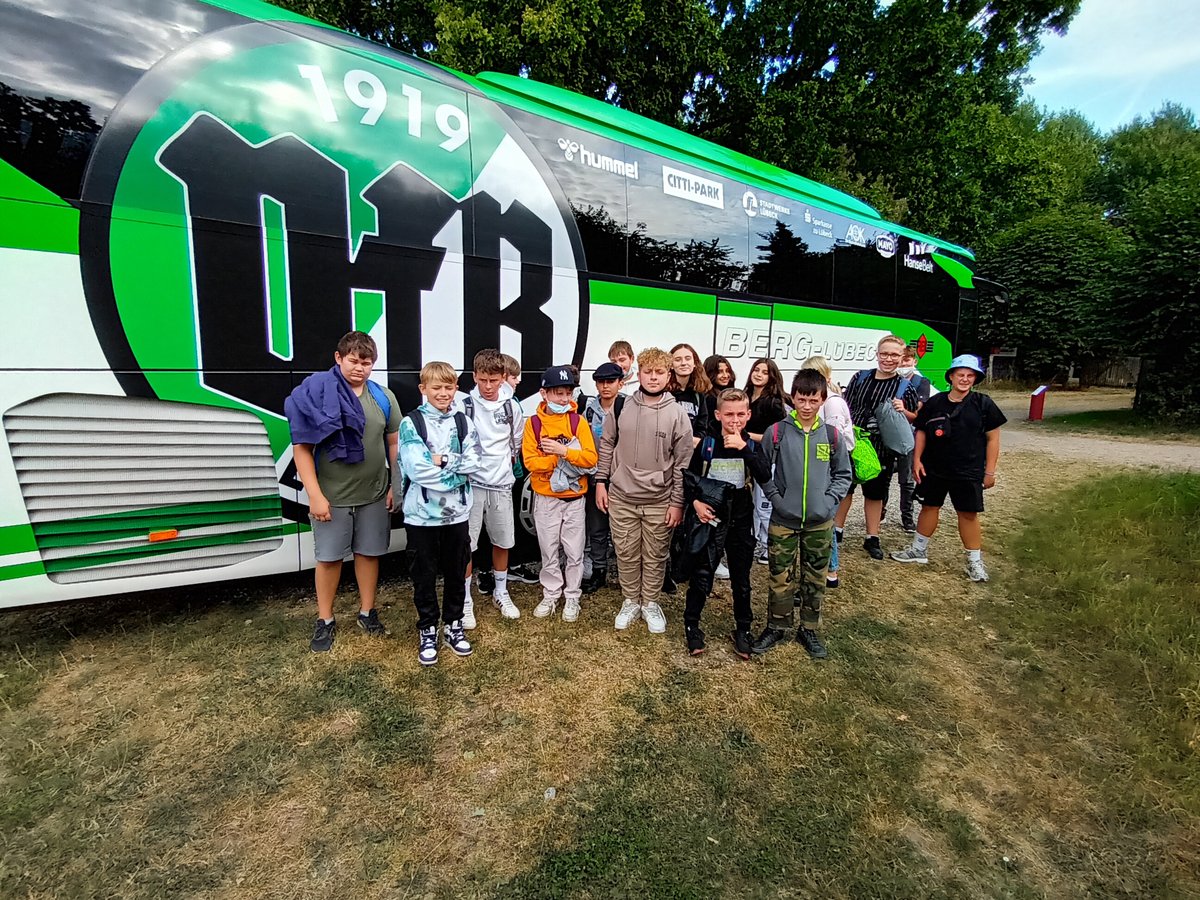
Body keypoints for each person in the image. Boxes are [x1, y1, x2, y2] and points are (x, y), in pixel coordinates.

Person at [286, 331, 401, 653]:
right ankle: (325, 619)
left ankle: (367, 611)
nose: (359, 368)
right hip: (332, 496)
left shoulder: (382, 397)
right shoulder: (315, 394)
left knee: (369, 553)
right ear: (338, 359)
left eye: (366, 363)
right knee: (329, 558)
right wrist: (315, 495)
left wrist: (396, 484)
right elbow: (302, 449)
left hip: (375, 493)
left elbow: (393, 442)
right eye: (353, 361)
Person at [753, 369, 852, 659]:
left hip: (820, 522)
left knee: (815, 577)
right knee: (780, 575)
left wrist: (829, 500)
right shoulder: (777, 432)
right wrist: (775, 497)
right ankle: (776, 625)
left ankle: (809, 628)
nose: (806, 406)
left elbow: (843, 474)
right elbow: (761, 470)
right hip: (784, 519)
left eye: (813, 400)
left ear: (823, 400)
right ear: (793, 398)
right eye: (801, 399)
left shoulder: (831, 435)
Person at [595, 347, 693, 634]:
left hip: (659, 500)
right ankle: (630, 601)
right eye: (647, 372)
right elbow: (607, 445)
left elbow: (682, 463)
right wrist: (601, 483)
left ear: (668, 375)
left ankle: (650, 602)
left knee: (655, 553)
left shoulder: (677, 414)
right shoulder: (620, 406)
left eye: (659, 372)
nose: (653, 377)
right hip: (622, 496)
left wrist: (677, 502)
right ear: (638, 374)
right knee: (625, 551)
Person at [891, 355, 1005, 582]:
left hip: (968, 470)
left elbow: (993, 439)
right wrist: (917, 460)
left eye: (970, 375)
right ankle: (918, 550)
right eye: (960, 374)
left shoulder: (984, 404)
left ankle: (974, 561)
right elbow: (921, 430)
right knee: (929, 507)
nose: (965, 379)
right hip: (934, 468)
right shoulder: (936, 402)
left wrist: (989, 471)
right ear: (951, 377)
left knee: (968, 514)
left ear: (975, 378)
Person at [399, 361, 484, 666]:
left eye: (449, 387)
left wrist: (443, 458)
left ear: (456, 389)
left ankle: (454, 623)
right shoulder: (412, 424)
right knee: (423, 574)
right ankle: (427, 627)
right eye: (436, 387)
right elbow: (417, 468)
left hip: (457, 515)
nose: (443, 393)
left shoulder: (463, 422)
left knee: (455, 571)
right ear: (424, 389)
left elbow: (476, 461)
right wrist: (457, 472)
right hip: (421, 517)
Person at [680, 388, 770, 658]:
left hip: (741, 520)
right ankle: (692, 625)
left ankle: (743, 628)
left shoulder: (752, 446)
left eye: (741, 414)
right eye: (729, 414)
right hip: (711, 518)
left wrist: (745, 450)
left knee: (741, 578)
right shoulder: (707, 444)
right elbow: (689, 479)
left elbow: (765, 475)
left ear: (749, 415)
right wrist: (695, 503)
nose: (735, 420)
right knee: (702, 574)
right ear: (718, 415)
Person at [522, 365, 598, 621]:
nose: (564, 399)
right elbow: (531, 462)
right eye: (558, 393)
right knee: (549, 548)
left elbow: (589, 459)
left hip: (575, 498)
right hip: (546, 498)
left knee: (575, 551)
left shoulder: (578, 421)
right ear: (544, 394)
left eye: (568, 393)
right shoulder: (533, 423)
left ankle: (572, 596)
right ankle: (551, 593)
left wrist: (562, 452)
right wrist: (558, 460)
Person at [837, 334, 921, 561]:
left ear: (902, 357)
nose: (888, 358)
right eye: (884, 353)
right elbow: (845, 407)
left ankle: (872, 537)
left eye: (894, 355)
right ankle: (837, 531)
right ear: (877, 353)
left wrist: (904, 410)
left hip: (881, 448)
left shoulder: (905, 387)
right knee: (845, 488)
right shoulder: (860, 378)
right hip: (853, 444)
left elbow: (915, 419)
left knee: (875, 493)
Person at [461, 349, 524, 625]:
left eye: (494, 380)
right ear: (475, 376)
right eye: (483, 380)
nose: (488, 387)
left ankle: (501, 591)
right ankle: (465, 600)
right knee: (467, 544)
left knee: (503, 540)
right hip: (471, 485)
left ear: (503, 379)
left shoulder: (512, 406)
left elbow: (516, 443)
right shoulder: (463, 405)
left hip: (500, 485)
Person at [801, 355, 854, 589]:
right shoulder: (819, 401)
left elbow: (833, 441)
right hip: (816, 466)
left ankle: (831, 570)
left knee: (825, 520)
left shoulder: (831, 403)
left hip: (828, 468)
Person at [580, 361, 625, 593]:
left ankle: (628, 573)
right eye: (601, 382)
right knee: (596, 526)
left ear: (621, 382)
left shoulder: (628, 406)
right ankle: (599, 571)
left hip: (622, 477)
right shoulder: (587, 407)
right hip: (595, 475)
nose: (605, 386)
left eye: (610, 382)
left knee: (623, 527)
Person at [881, 345, 932, 533]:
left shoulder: (921, 382)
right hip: (887, 435)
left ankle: (907, 517)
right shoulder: (889, 381)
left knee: (907, 479)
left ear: (914, 362)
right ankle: (881, 512)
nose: (903, 364)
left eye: (907, 361)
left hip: (908, 437)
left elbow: (918, 414)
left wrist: (904, 411)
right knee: (883, 476)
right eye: (901, 361)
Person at [744, 357, 788, 564]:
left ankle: (770, 546)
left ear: (772, 377)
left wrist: (746, 435)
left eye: (764, 371)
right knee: (751, 503)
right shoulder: (744, 397)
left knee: (765, 505)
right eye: (756, 369)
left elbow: (778, 436)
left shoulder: (774, 402)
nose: (759, 374)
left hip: (766, 459)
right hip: (746, 458)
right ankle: (758, 541)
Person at [669, 342, 715, 442]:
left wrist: (696, 439)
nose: (684, 363)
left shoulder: (699, 394)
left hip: (692, 450)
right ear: (671, 365)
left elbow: (702, 425)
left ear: (694, 363)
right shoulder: (665, 393)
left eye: (688, 358)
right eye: (678, 360)